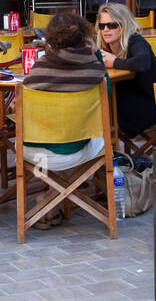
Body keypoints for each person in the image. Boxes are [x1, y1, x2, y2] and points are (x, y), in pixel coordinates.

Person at [20, 12, 111, 229]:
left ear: (50, 39)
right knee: (96, 135)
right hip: (76, 151)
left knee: (52, 131)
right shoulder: (94, 71)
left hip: (35, 152)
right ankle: (53, 200)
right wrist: (97, 53)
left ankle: (50, 201)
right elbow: (107, 93)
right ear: (85, 38)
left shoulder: (40, 68)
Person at [96, 1, 156, 138]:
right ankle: (106, 152)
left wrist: (114, 62)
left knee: (103, 109)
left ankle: (109, 152)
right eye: (102, 26)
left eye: (112, 25)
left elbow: (142, 63)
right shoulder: (104, 46)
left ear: (124, 25)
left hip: (152, 102)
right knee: (98, 103)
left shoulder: (136, 40)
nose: (106, 30)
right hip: (128, 97)